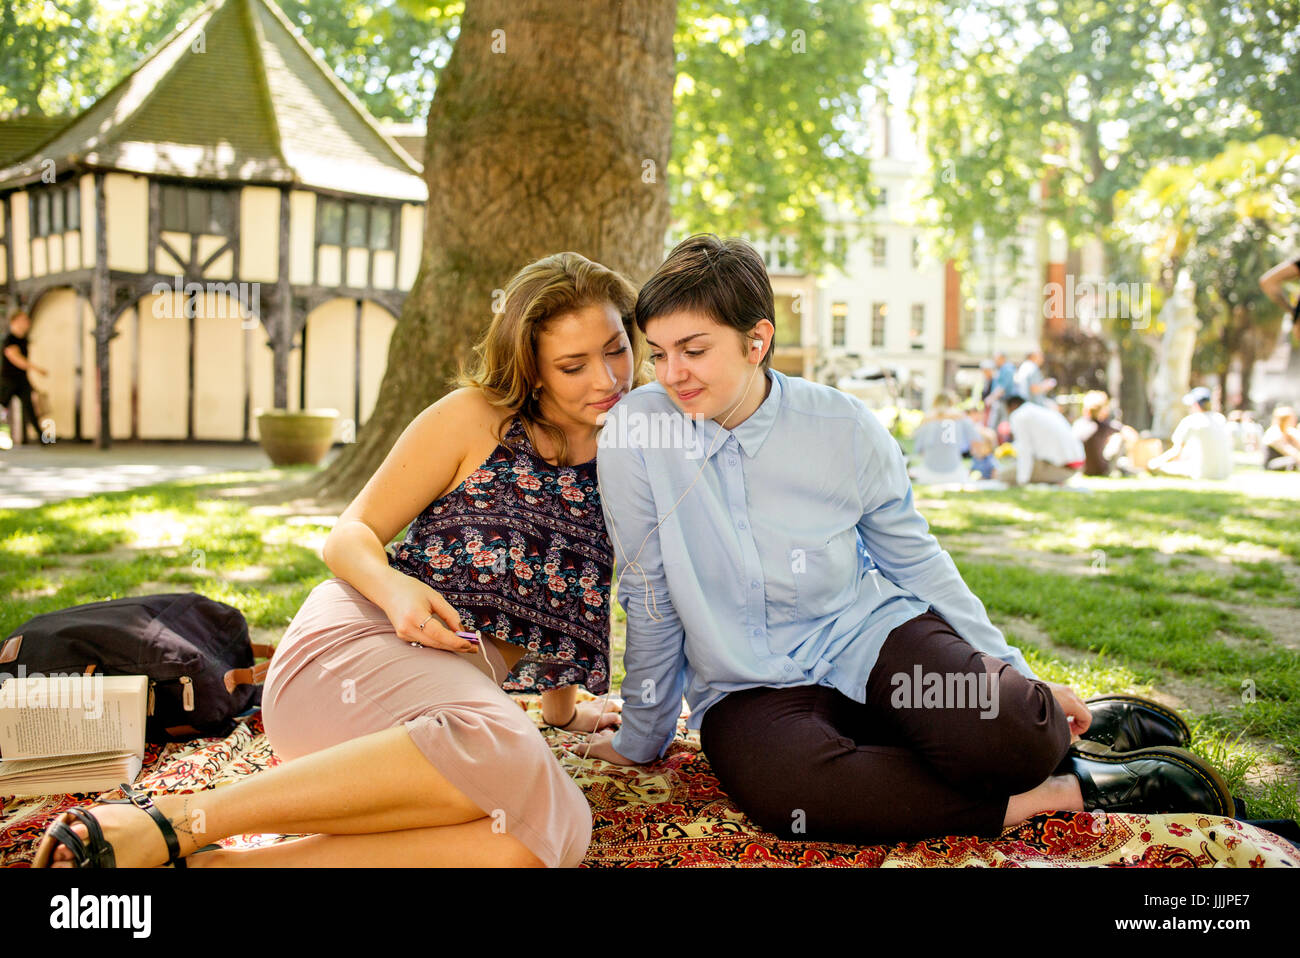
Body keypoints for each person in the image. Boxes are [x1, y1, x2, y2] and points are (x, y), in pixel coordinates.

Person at [582, 234, 1232, 848]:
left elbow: (914, 559)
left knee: (1012, 740)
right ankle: (1066, 790)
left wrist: (1015, 674)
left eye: (693, 350)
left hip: (862, 636)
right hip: (747, 687)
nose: (671, 373)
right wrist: (643, 735)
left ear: (758, 341)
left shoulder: (841, 425)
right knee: (793, 793)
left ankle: (1057, 728)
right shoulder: (638, 434)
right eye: (657, 352)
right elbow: (649, 591)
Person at [34, 251, 645, 868]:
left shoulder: (632, 448)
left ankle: (223, 865)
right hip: (356, 648)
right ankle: (181, 819)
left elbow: (576, 592)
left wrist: (564, 710)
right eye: (574, 365)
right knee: (507, 750)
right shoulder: (476, 419)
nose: (607, 379)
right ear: (533, 371)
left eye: (616, 349)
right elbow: (349, 535)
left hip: (453, 706)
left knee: (553, 833)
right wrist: (393, 588)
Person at [1148, 386, 1233, 480]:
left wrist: (1154, 463)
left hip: (1202, 474)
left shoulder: (1191, 420)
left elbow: (1176, 451)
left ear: (1195, 405)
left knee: (1160, 467)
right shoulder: (1220, 418)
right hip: (1225, 473)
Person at [1006, 393, 1085, 485]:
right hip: (1074, 465)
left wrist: (1022, 481)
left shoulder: (1019, 415)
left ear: (1012, 407)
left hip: (1062, 468)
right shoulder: (1040, 412)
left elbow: (1025, 450)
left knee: (1003, 475)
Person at [909, 391, 979, 484]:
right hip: (955, 475)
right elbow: (977, 441)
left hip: (928, 476)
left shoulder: (926, 420)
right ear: (952, 402)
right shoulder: (961, 418)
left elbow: (919, 450)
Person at [1, 310, 48, 444]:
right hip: (8, 380)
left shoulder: (23, 339)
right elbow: (15, 357)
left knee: (30, 408)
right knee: (2, 406)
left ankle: (42, 438)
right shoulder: (10, 339)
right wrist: (36, 369)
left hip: (21, 380)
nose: (27, 323)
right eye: (23, 320)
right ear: (14, 322)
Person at [1073, 390, 1140, 477]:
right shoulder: (1105, 426)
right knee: (1119, 438)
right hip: (1102, 470)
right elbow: (1132, 435)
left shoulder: (1078, 424)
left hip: (1081, 469)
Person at [1262, 405, 1300, 470]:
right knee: (1292, 460)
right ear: (1284, 420)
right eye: (1292, 419)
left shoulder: (1289, 432)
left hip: (1287, 460)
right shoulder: (1274, 432)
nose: (1295, 420)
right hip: (1273, 464)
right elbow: (1288, 451)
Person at [987, 351, 1017, 430]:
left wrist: (991, 398)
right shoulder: (1001, 369)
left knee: (1000, 424)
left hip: (1004, 401)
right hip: (1001, 401)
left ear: (1002, 358)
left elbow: (1003, 387)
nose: (995, 361)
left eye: (996, 358)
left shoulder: (1007, 369)